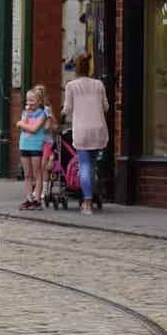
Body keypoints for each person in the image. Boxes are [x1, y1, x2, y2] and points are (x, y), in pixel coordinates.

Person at [62, 52, 110, 215]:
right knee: (93, 165)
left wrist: (61, 114)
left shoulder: (71, 86)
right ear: (89, 67)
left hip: (82, 130)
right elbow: (106, 107)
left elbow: (67, 109)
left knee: (84, 165)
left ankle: (87, 202)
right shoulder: (98, 84)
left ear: (75, 68)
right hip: (98, 129)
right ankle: (91, 197)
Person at [16, 85, 54, 211]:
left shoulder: (42, 114)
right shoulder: (25, 112)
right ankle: (28, 198)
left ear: (39, 101)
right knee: (27, 174)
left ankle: (37, 199)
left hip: (35, 146)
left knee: (37, 173)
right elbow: (24, 125)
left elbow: (33, 129)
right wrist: (24, 119)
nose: (29, 103)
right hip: (24, 145)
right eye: (27, 100)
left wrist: (21, 123)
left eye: (32, 100)